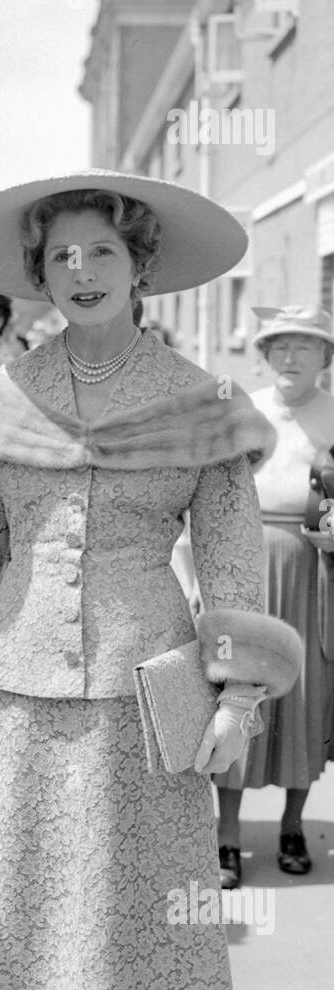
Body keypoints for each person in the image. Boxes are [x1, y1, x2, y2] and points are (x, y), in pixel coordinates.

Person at [0, 171, 300, 990]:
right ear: (37, 276)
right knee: (46, 917)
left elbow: (227, 566)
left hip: (149, 691)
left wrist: (239, 704)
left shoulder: (198, 403)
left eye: (101, 253)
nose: (80, 272)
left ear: (141, 268)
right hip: (23, 689)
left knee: (131, 921)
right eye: (60, 258)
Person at [215, 306, 334, 886]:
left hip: (315, 572)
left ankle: (291, 825)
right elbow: (209, 495)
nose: (290, 358)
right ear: (265, 354)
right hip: (247, 562)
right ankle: (227, 837)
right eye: (280, 346)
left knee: (307, 697)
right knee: (241, 693)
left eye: (305, 347)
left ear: (325, 358)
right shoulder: (247, 410)